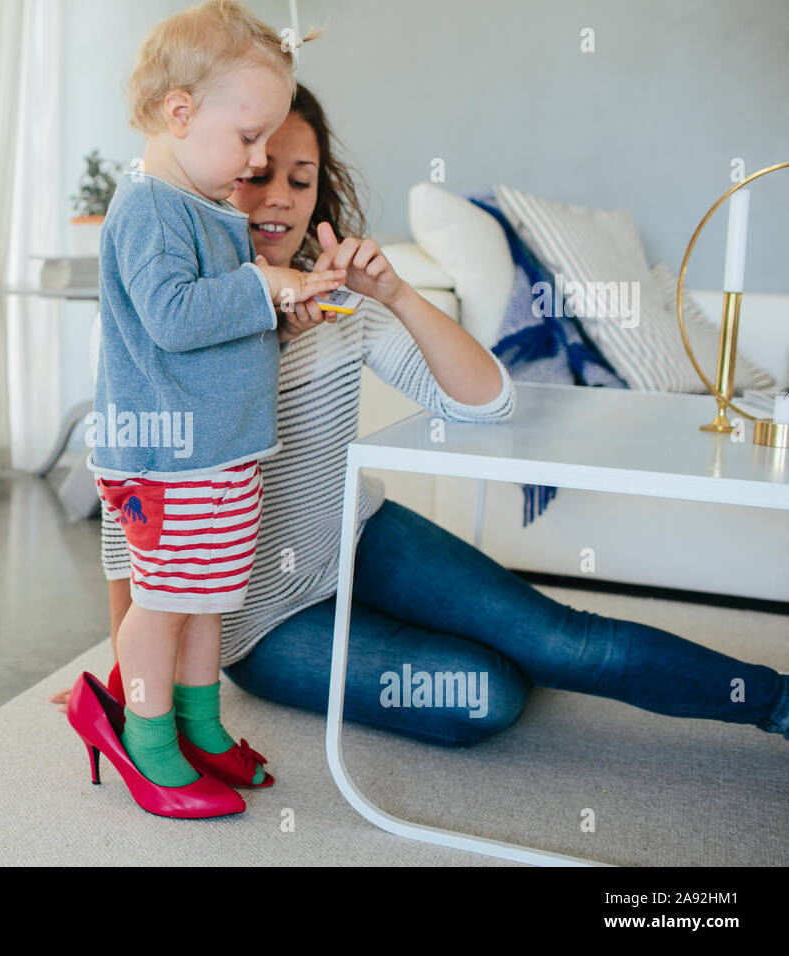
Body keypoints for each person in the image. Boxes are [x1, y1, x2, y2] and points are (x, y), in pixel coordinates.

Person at [55, 77, 789, 755]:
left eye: (300, 180)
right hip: (258, 620)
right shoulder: (155, 318)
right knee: (486, 696)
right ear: (210, 167)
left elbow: (488, 403)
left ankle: (778, 704)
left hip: (361, 535)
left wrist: (399, 297)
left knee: (564, 642)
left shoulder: (342, 301)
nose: (277, 196)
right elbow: (130, 521)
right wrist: (130, 674)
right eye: (254, 172)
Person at [65, 0, 345, 819]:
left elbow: (221, 325)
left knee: (204, 598)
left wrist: (283, 303)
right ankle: (145, 740)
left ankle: (197, 724)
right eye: (249, 138)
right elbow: (174, 318)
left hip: (217, 452)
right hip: (168, 457)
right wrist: (264, 283)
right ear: (178, 112)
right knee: (165, 603)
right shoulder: (149, 207)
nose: (259, 161)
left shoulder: (206, 207)